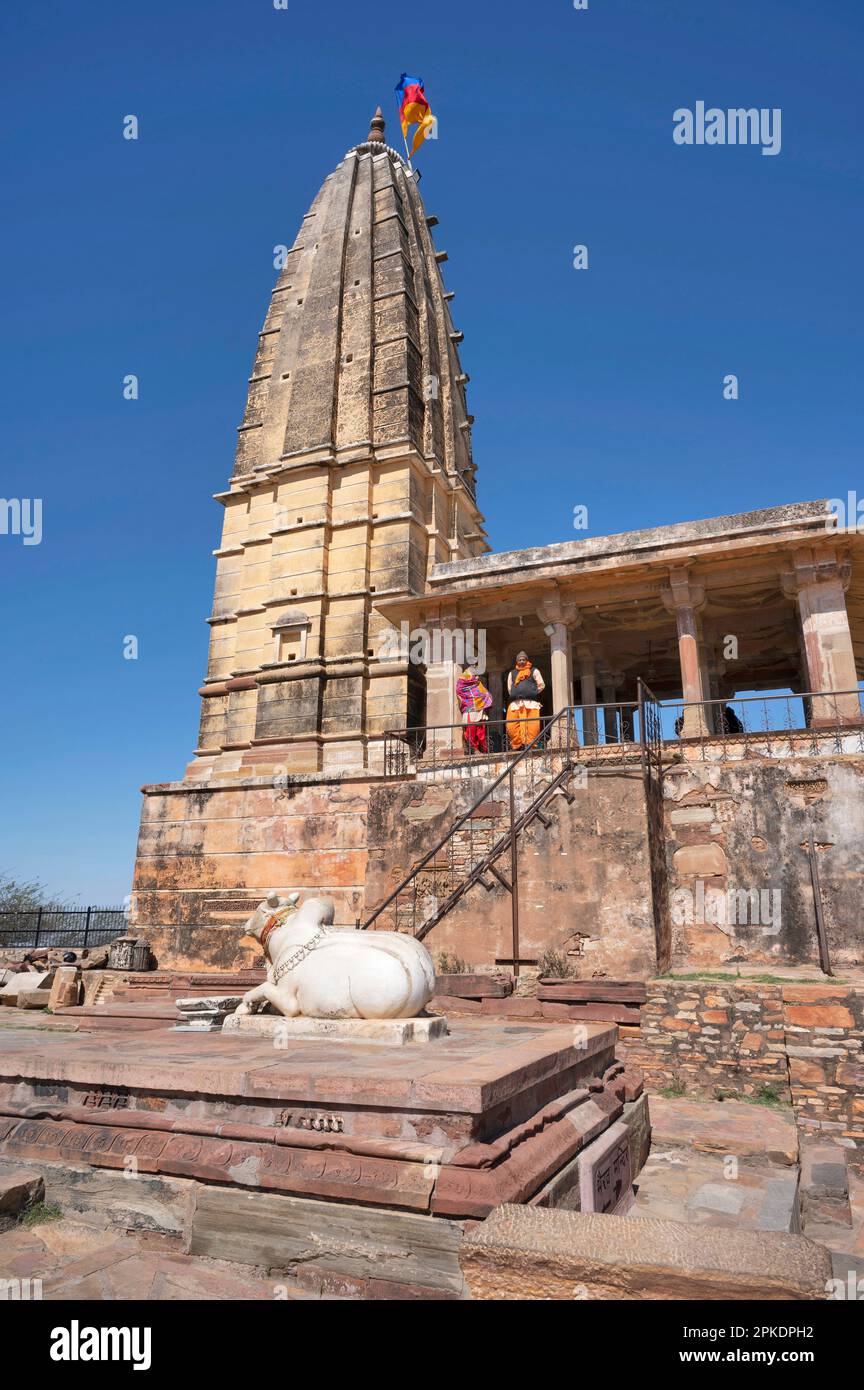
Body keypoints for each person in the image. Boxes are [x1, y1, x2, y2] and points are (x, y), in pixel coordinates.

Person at [506, 651, 546, 750]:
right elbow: (509, 688)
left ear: (527, 660)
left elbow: (541, 685)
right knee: (511, 726)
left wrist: (532, 692)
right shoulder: (512, 673)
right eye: (520, 660)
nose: (522, 661)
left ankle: (529, 745)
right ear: (517, 661)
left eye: (523, 659)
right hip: (516, 703)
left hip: (531, 703)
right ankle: (517, 745)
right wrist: (517, 693)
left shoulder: (534, 671)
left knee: (533, 726)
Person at [455, 667, 492, 754]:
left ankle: (482, 750)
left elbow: (485, 694)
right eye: (475, 675)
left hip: (479, 710)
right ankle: (473, 750)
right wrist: (473, 698)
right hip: (469, 710)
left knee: (480, 731)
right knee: (470, 731)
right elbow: (460, 693)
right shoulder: (461, 683)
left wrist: (483, 698)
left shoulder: (478, 684)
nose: (477, 677)